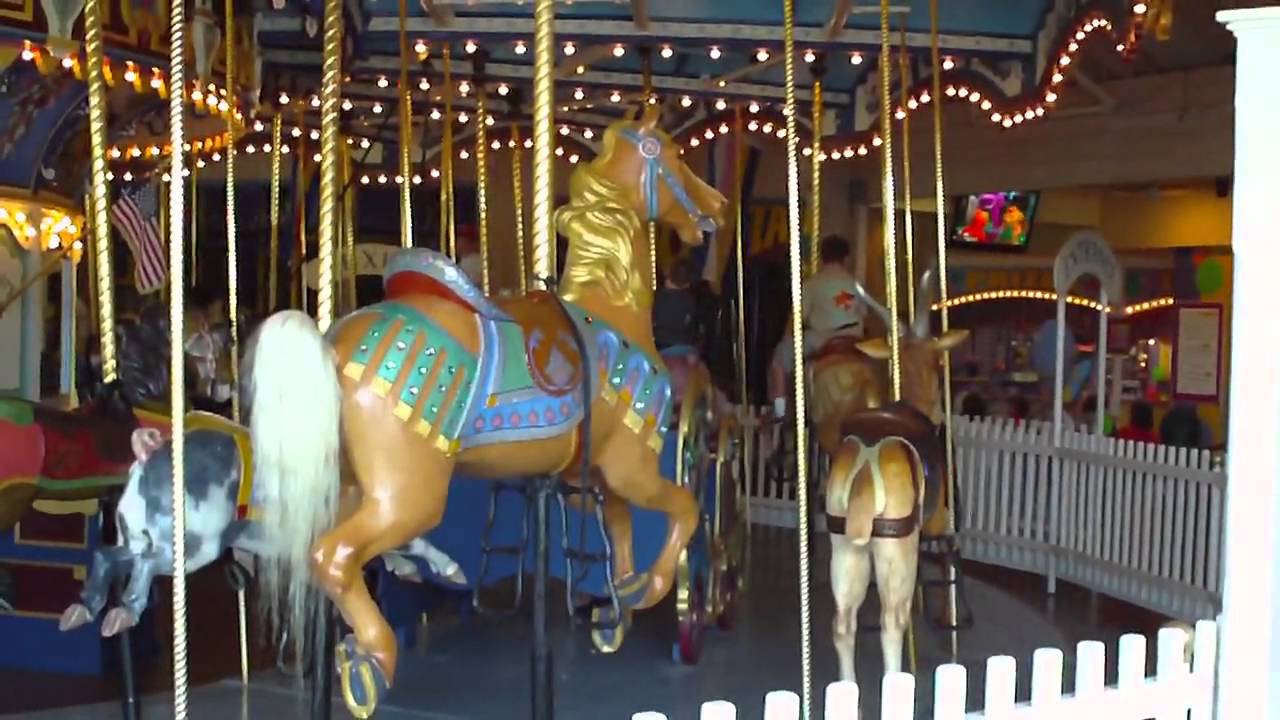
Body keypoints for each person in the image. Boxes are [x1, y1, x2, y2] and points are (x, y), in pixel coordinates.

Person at [801, 234, 865, 354]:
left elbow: (801, 315)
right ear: (846, 258)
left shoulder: (812, 284)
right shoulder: (855, 283)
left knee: (783, 353)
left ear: (821, 257)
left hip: (821, 340)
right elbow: (863, 312)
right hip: (853, 337)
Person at [652, 258, 700, 351]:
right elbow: (689, 321)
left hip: (662, 343)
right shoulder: (690, 300)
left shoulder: (658, 297)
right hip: (685, 343)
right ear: (687, 284)